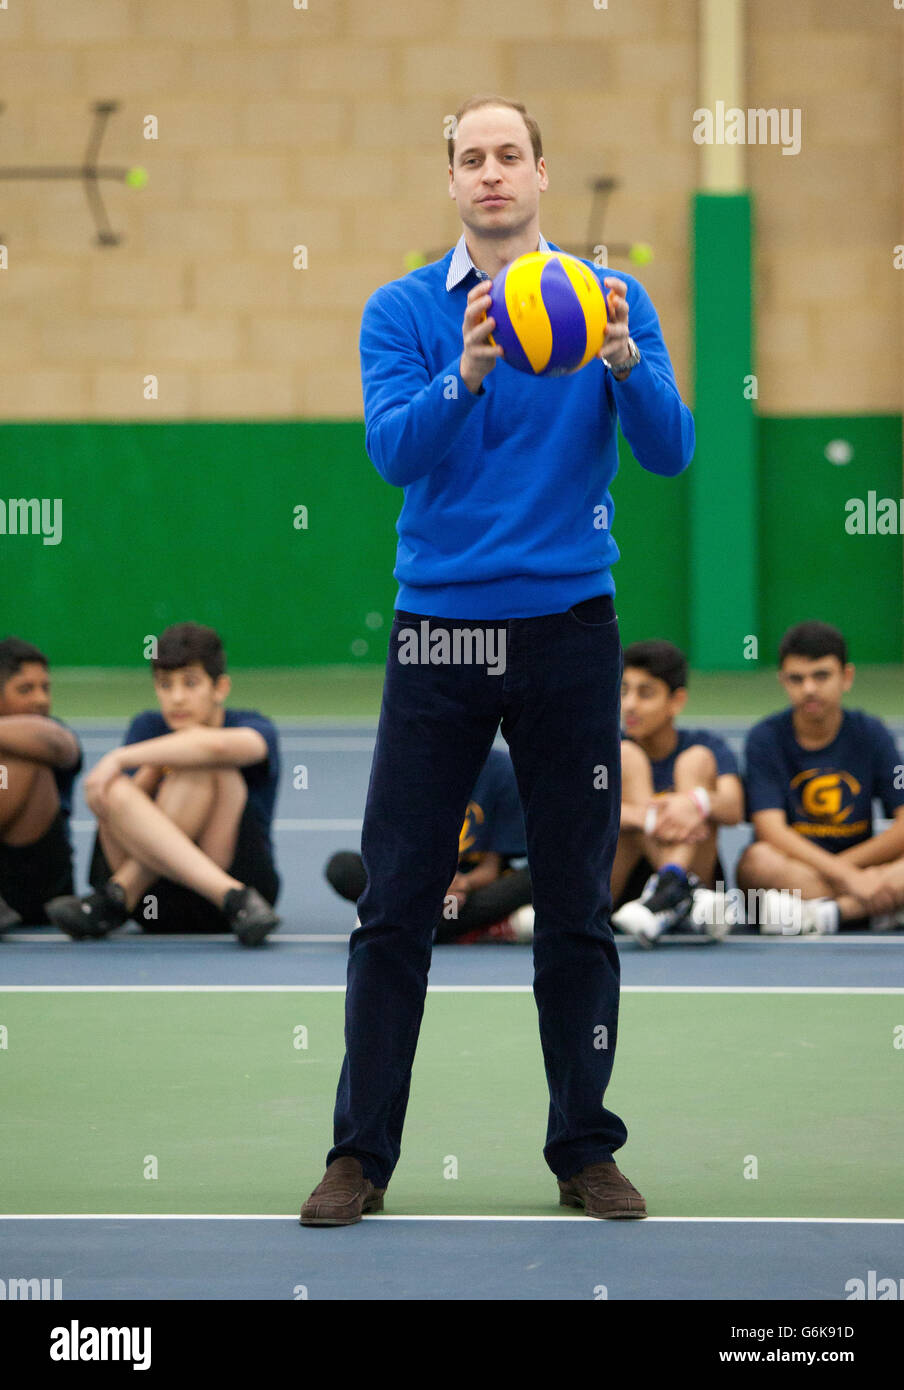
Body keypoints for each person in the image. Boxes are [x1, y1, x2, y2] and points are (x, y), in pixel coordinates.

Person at [300, 94, 694, 1227]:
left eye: (508, 155)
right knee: (395, 906)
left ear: (541, 174)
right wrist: (465, 372)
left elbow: (670, 451)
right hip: (440, 630)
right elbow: (393, 453)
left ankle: (584, 1148)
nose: (489, 174)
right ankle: (358, 1158)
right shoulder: (404, 309)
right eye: (469, 158)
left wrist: (623, 360)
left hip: (571, 629)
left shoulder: (609, 299)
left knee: (576, 904)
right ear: (452, 180)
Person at [45, 622, 281, 946]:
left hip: (233, 893)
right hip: (154, 901)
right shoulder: (147, 725)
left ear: (220, 688)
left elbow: (215, 747)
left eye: (190, 683)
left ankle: (118, 894)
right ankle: (230, 896)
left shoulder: (253, 724)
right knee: (113, 789)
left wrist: (119, 758)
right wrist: (153, 769)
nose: (177, 698)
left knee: (204, 764)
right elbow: (118, 808)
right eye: (165, 684)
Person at [737, 621, 904, 934]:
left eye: (821, 675)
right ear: (783, 681)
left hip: (853, 870)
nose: (809, 688)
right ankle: (879, 908)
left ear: (847, 677)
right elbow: (770, 830)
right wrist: (848, 878)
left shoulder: (872, 733)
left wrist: (848, 871)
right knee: (756, 862)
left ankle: (828, 915)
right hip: (796, 870)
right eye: (796, 679)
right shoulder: (765, 738)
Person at [326, 745, 534, 945]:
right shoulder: (412, 769)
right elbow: (400, 856)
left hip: (475, 887)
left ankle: (400, 921)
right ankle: (481, 927)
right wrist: (434, 886)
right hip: (418, 883)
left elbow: (490, 869)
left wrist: (464, 884)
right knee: (343, 868)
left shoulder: (502, 772)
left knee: (543, 873)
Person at [611, 640, 744, 946]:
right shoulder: (611, 747)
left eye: (645, 694)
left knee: (695, 763)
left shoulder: (705, 745)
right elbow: (579, 810)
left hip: (695, 868)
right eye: (625, 691)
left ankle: (671, 887)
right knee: (627, 756)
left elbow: (733, 807)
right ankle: (680, 893)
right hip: (624, 892)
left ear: (676, 701)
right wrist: (649, 817)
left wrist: (693, 802)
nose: (630, 704)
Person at [0, 637, 83, 932]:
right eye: (26, 689)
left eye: (45, 688)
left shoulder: (53, 732)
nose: (40, 699)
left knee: (27, 757)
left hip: (39, 884)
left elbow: (61, 747)